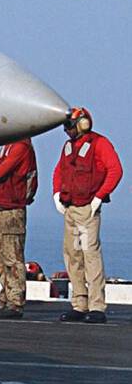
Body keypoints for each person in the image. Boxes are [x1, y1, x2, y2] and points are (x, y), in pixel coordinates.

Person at [53, 107, 123, 323]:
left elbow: (115, 170)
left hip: (87, 208)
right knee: (72, 256)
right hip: (71, 208)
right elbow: (59, 170)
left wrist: (99, 197)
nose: (68, 131)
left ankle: (96, 306)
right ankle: (79, 303)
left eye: (70, 126)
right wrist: (56, 193)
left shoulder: (99, 144)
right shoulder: (68, 147)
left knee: (90, 255)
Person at [0, 137, 38, 319]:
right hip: (1, 206)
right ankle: (6, 297)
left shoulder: (19, 147)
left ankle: (15, 301)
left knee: (12, 257)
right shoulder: (8, 145)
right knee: (0, 258)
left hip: (11, 208)